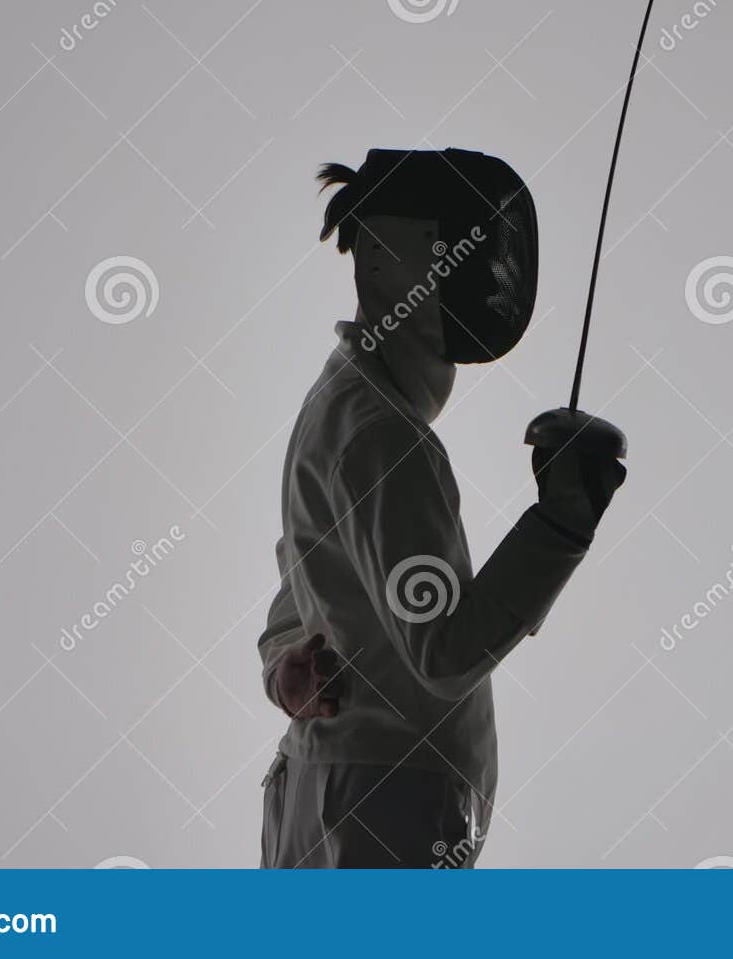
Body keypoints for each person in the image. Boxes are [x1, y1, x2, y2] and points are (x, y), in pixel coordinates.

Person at [257, 148, 627, 868]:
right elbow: (444, 653)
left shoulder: (340, 404)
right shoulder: (382, 433)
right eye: (469, 249)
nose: (491, 273)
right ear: (400, 258)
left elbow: (298, 591)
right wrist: (562, 521)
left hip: (328, 791)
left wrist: (286, 671)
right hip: (383, 804)